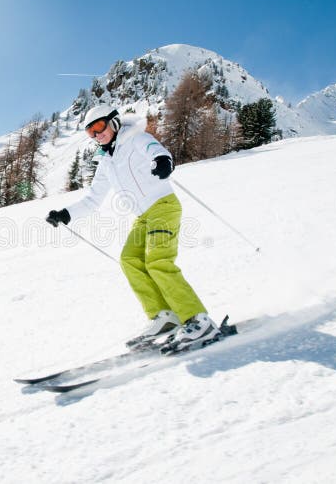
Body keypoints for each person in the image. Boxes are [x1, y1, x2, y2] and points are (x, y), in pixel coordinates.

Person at [46, 105, 221, 352]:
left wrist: (162, 161)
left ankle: (198, 320)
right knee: (129, 260)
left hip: (163, 206)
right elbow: (93, 200)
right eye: (90, 132)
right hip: (142, 216)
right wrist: (65, 215)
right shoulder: (106, 161)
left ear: (113, 122)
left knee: (158, 261)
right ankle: (165, 317)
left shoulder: (136, 138)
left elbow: (156, 151)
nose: (97, 135)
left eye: (99, 127)